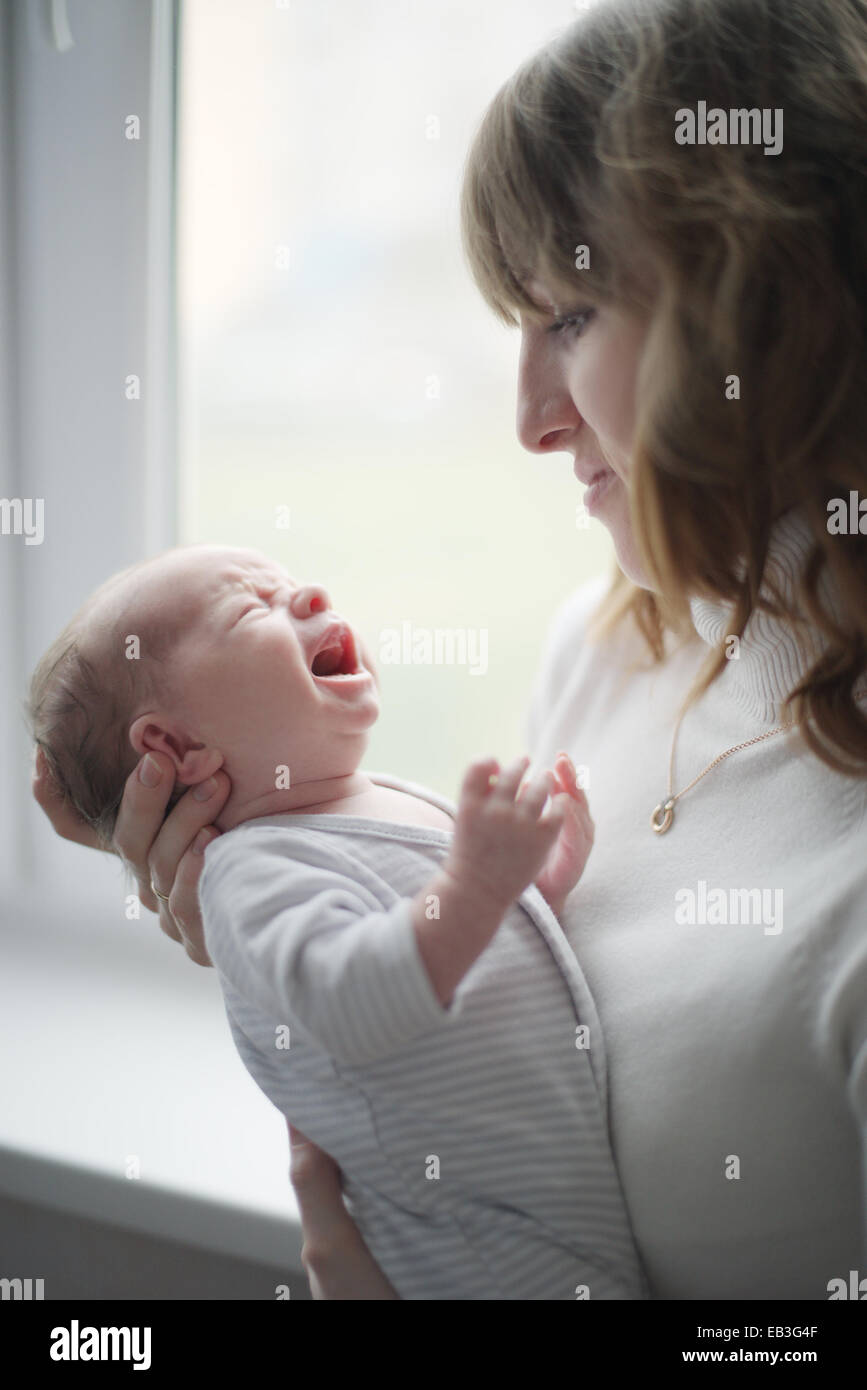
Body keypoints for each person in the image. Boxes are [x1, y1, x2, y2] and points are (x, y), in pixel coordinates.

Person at [35, 0, 867, 1299]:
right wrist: (266, 889)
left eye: (571, 315)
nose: (530, 420)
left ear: (766, 311)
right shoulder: (603, 647)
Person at [27, 543, 646, 1299]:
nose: (312, 594)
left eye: (291, 583)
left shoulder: (362, 800)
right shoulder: (248, 873)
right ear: (173, 747)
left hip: (551, 1225)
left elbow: (466, 950)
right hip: (481, 1258)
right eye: (250, 607)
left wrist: (535, 881)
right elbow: (352, 1001)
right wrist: (480, 882)